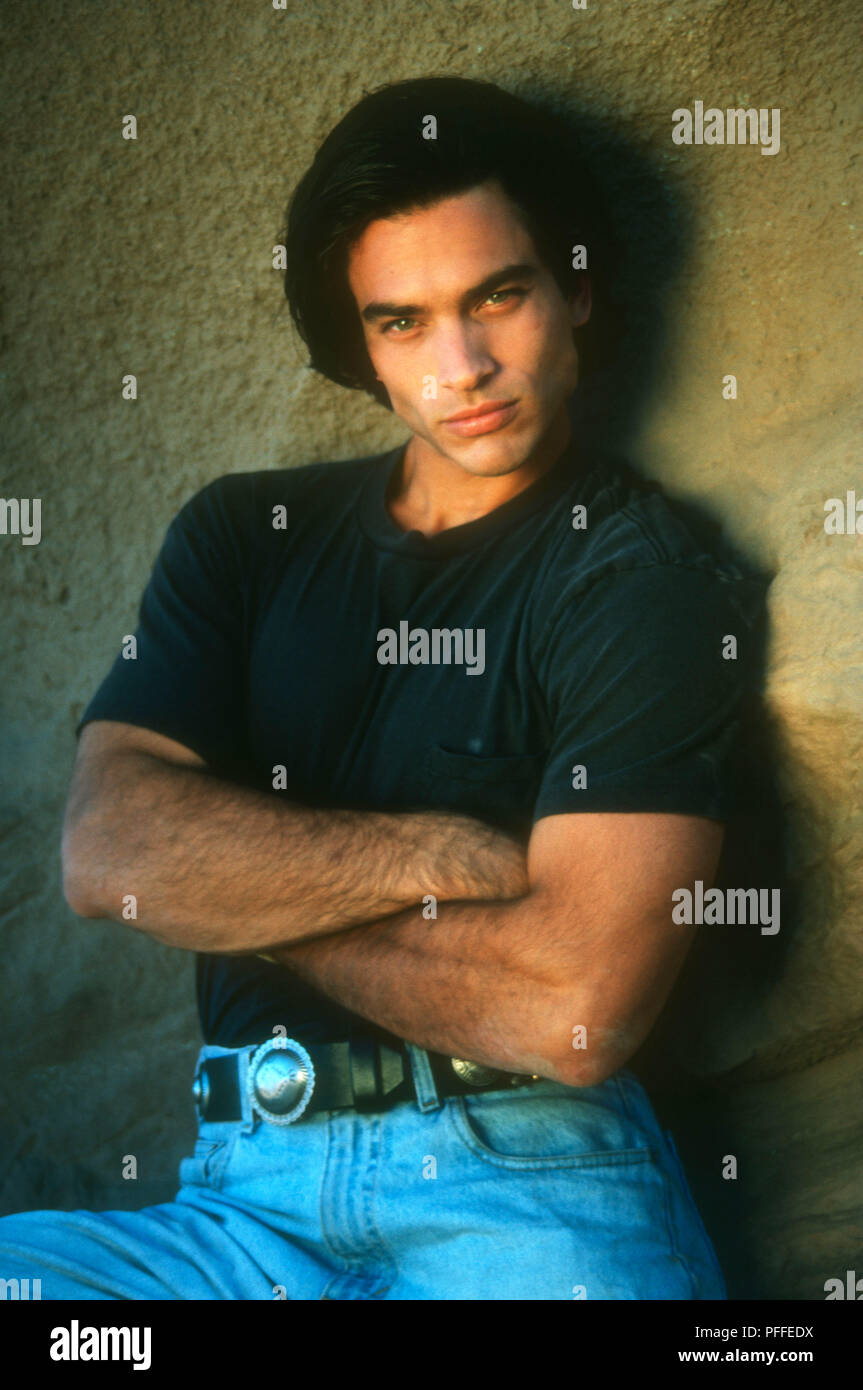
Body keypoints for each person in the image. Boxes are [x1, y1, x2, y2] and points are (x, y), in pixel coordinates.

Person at [0, 76, 765, 1300]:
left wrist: (243, 888)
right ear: (359, 346)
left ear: (574, 288)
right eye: (402, 322)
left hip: (524, 1200)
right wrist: (439, 855)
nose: (461, 364)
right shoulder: (245, 539)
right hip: (237, 1211)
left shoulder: (642, 579)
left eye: (497, 296)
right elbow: (112, 850)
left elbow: (575, 1006)